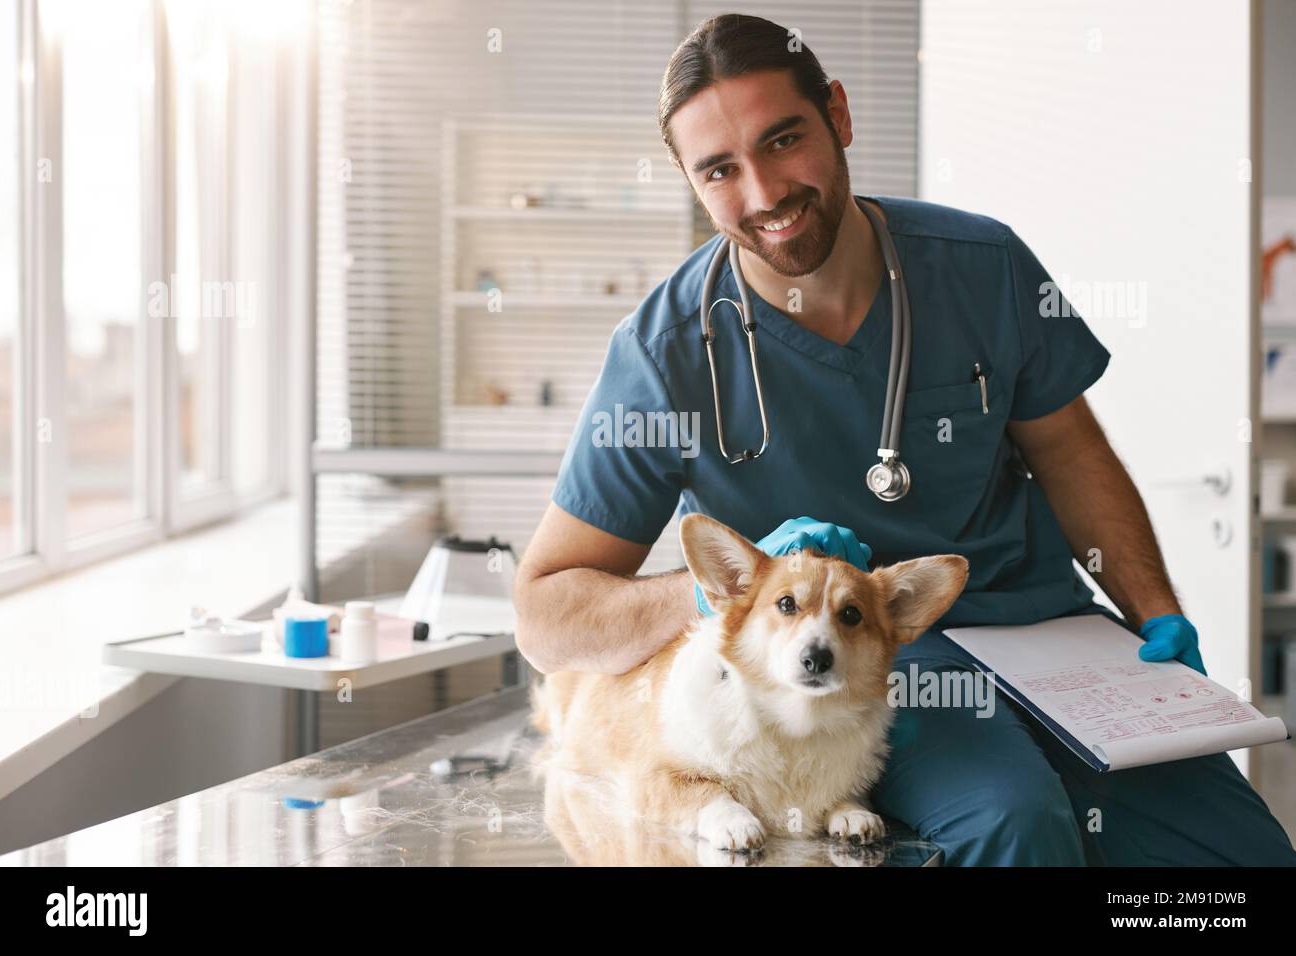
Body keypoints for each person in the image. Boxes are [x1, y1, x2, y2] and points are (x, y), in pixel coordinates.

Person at [512, 12, 1296, 866]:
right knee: (1017, 826)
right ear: (692, 184)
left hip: (1052, 635)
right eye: (720, 170)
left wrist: (1157, 610)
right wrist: (723, 594)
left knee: (1239, 852)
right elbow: (547, 614)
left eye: (784, 141)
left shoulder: (982, 265)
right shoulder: (667, 353)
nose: (765, 192)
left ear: (839, 117)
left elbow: (1072, 451)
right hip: (878, 663)